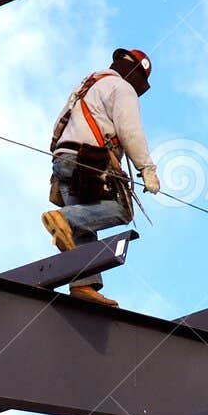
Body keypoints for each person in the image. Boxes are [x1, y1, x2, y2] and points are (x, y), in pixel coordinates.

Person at [41, 48, 161, 306]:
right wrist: (147, 169)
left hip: (63, 161)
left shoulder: (88, 85)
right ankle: (62, 219)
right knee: (120, 210)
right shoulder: (122, 88)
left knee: (86, 219)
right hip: (86, 161)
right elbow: (130, 132)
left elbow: (59, 124)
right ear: (136, 75)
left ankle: (84, 285)